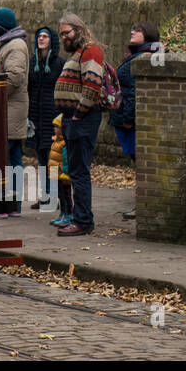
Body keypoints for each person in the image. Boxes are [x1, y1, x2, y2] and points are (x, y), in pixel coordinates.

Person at [53, 12, 105, 236]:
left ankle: (82, 221)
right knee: (74, 171)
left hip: (82, 119)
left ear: (79, 30)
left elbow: (92, 86)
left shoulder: (90, 51)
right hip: (74, 118)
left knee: (79, 172)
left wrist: (77, 115)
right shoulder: (78, 52)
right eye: (62, 34)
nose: (64, 37)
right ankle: (80, 217)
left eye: (67, 33)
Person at [112, 21, 161, 220]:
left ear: (148, 35)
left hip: (130, 121)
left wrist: (127, 119)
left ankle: (144, 205)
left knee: (141, 163)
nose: (132, 31)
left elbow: (134, 91)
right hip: (126, 118)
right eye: (132, 28)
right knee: (139, 163)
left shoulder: (144, 57)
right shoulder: (137, 54)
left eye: (138, 30)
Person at [0, 7, 30, 218]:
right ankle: (12, 206)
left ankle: (4, 205)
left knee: (3, 160)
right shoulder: (10, 44)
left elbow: (14, 78)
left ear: (1, 24)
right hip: (9, 111)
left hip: (9, 112)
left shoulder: (15, 46)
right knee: (13, 160)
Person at [27, 25, 64, 209]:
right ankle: (45, 196)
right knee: (41, 158)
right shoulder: (33, 62)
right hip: (36, 117)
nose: (41, 39)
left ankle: (55, 197)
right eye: (39, 36)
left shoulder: (59, 64)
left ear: (51, 41)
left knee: (53, 159)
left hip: (52, 117)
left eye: (45, 36)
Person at [49, 114, 74, 226]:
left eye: (57, 127)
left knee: (66, 195)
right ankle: (62, 213)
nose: (54, 129)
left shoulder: (64, 143)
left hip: (62, 174)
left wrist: (66, 174)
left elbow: (66, 160)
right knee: (60, 195)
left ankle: (69, 214)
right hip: (55, 173)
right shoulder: (55, 141)